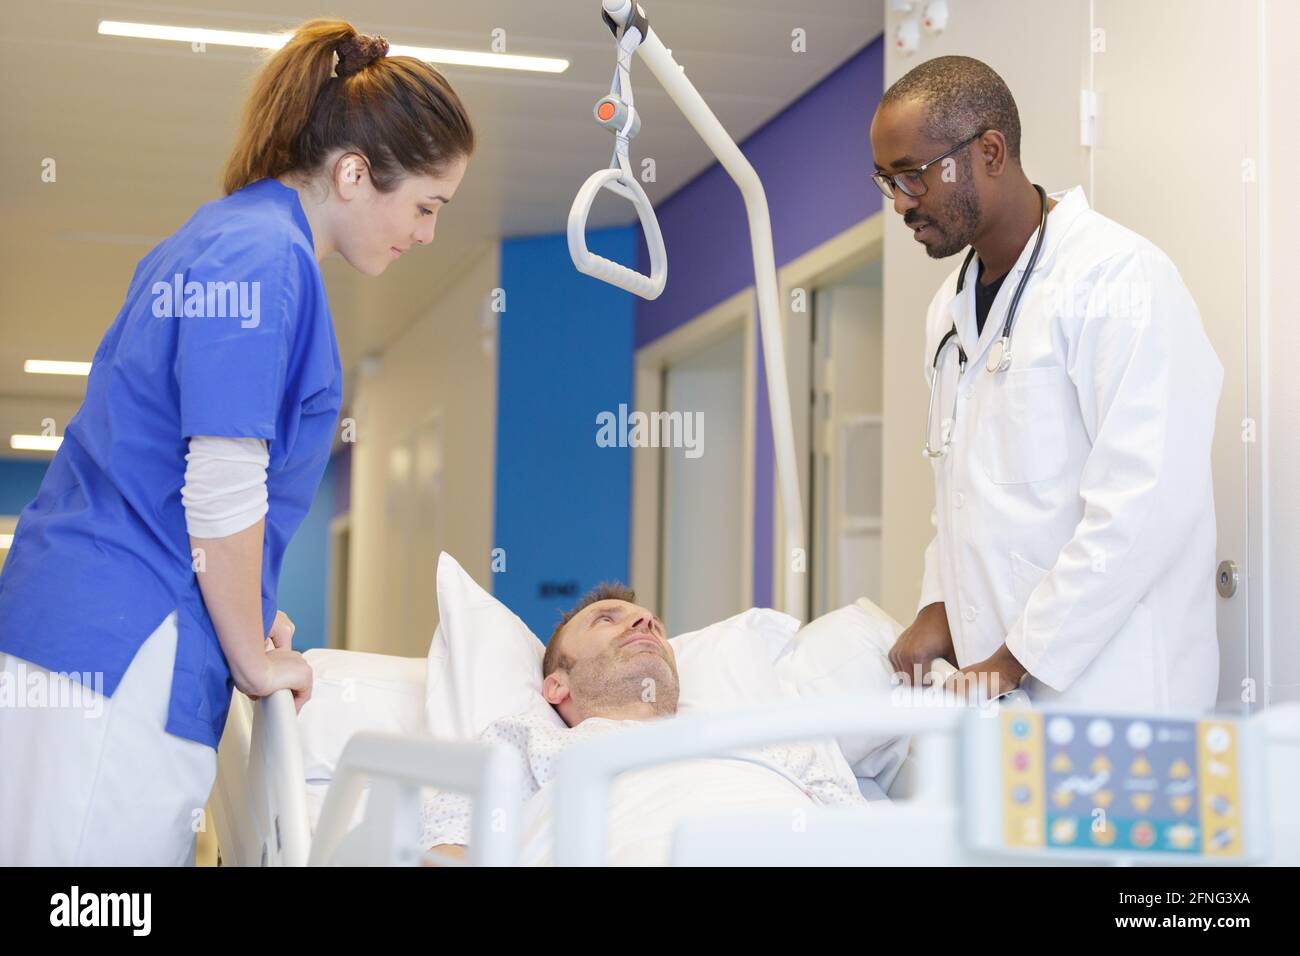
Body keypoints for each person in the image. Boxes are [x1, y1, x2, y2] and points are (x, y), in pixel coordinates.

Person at [0, 19, 474, 865]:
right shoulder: (264, 260)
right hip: (121, 648)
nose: (428, 233)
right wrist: (252, 657)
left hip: (85, 635)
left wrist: (254, 608)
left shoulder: (225, 236)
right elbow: (219, 480)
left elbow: (168, 466)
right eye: (426, 206)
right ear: (355, 173)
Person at [871, 56, 1221, 712]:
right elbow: (965, 494)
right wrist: (939, 603)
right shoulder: (947, 309)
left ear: (991, 152)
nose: (900, 203)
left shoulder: (1119, 279)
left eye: (912, 176)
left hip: (1121, 698)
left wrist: (1015, 658)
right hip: (1005, 700)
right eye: (885, 181)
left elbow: (1145, 503)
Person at [420, 584, 866, 865]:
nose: (644, 622)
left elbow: (864, 838)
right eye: (606, 620)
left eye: (652, 624)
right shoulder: (528, 741)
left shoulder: (766, 742)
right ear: (557, 686)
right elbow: (448, 845)